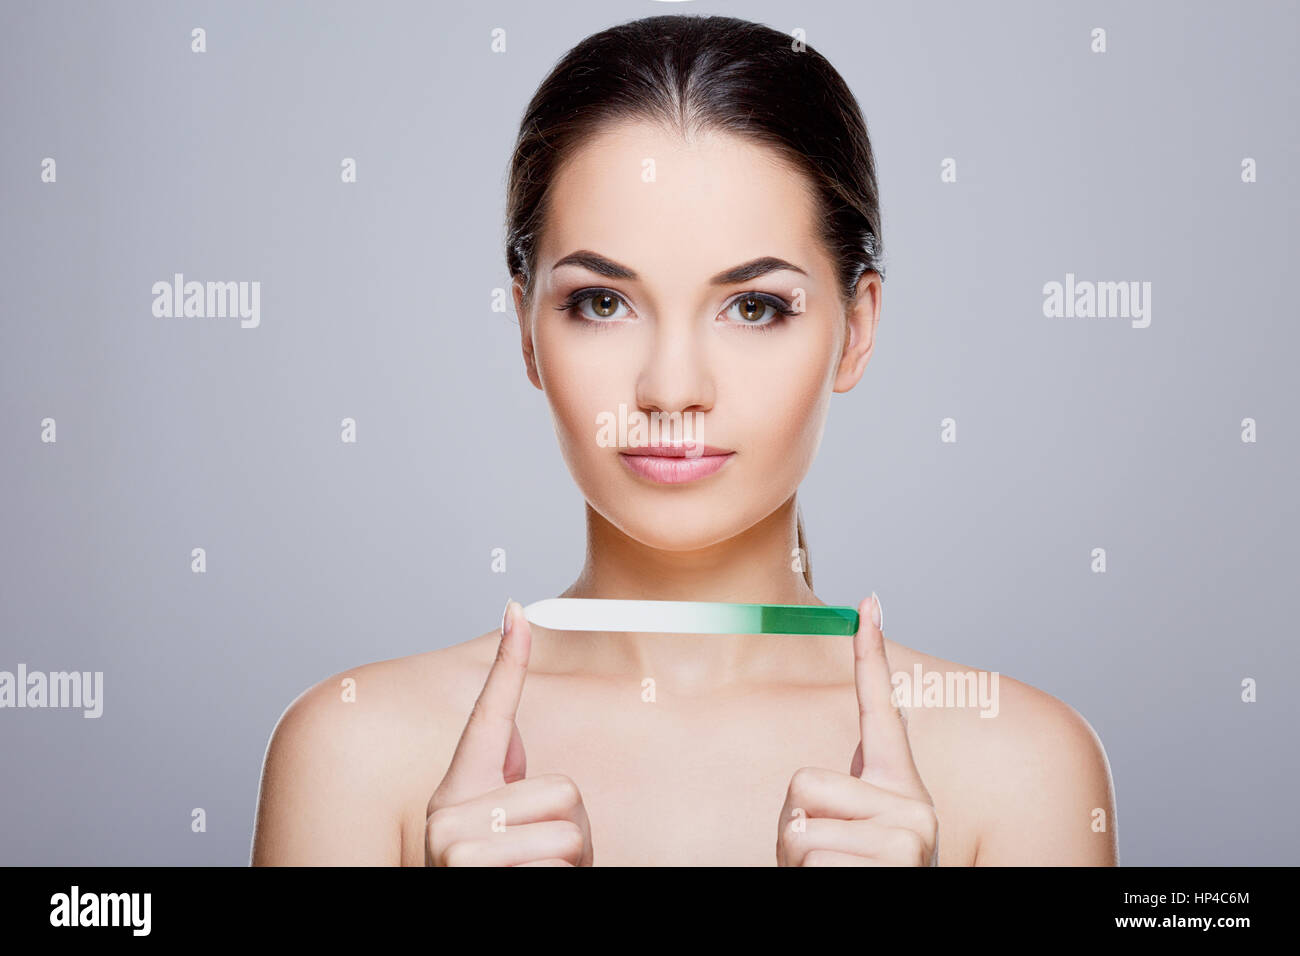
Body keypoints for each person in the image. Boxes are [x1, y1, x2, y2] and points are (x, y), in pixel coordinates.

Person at [251, 14, 1118, 866]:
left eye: (754, 307)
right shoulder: (356, 756)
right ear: (524, 327)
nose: (671, 390)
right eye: (601, 301)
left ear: (856, 328)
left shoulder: (1020, 771)